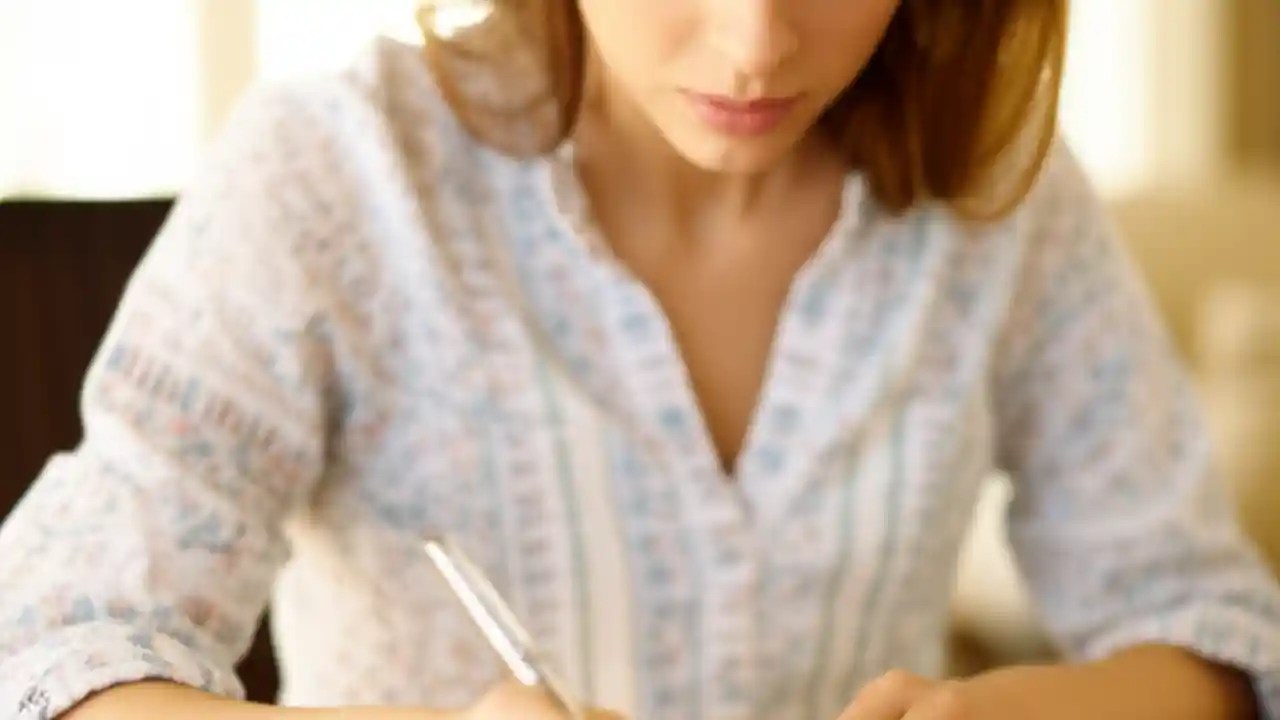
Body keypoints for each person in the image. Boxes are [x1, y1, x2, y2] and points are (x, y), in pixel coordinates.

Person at [1, 0, 1278, 718]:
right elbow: (51, 654)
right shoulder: (337, 176)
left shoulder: (1005, 199)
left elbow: (1216, 643)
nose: (753, 44)